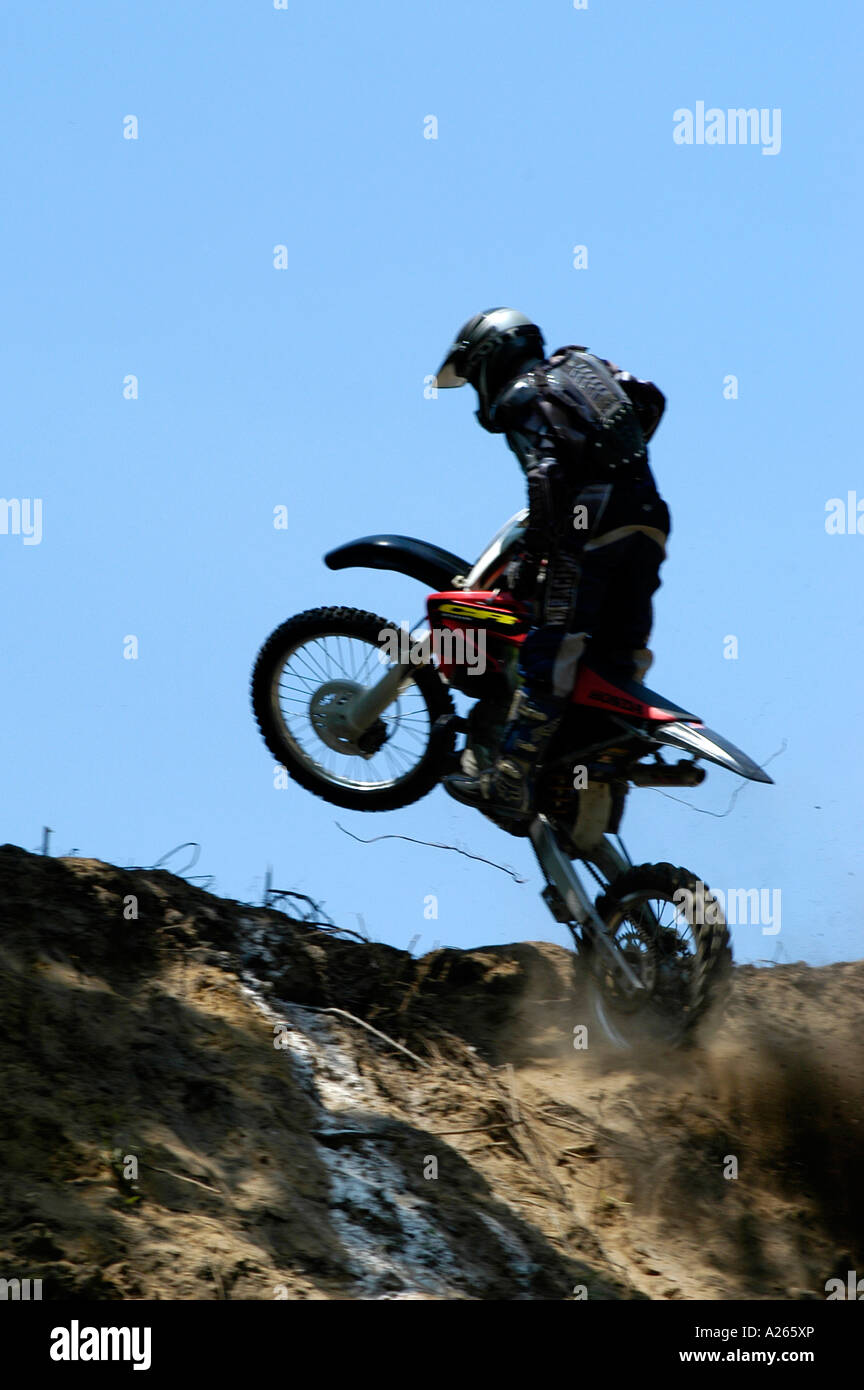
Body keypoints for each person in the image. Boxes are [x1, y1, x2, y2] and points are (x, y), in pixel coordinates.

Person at [435, 307, 670, 819]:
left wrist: (537, 550)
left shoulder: (522, 395)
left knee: (551, 646)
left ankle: (509, 780)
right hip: (648, 513)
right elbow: (651, 399)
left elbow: (545, 479)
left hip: (591, 523)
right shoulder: (583, 364)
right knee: (618, 649)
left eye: (474, 375)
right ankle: (602, 747)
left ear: (489, 358)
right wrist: (607, 452)